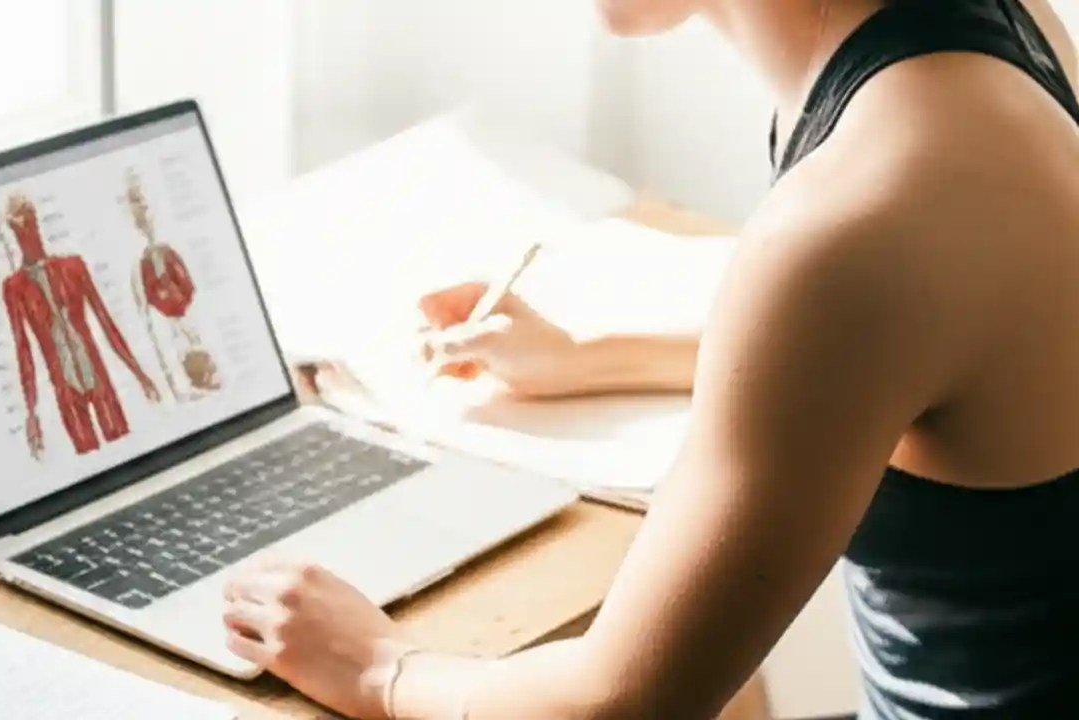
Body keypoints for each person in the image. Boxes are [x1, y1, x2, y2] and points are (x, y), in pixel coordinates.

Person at [221, 0, 1079, 717]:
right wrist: (588, 357)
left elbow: (622, 704)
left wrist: (380, 667)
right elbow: (905, 345)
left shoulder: (868, 204)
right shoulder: (980, 37)